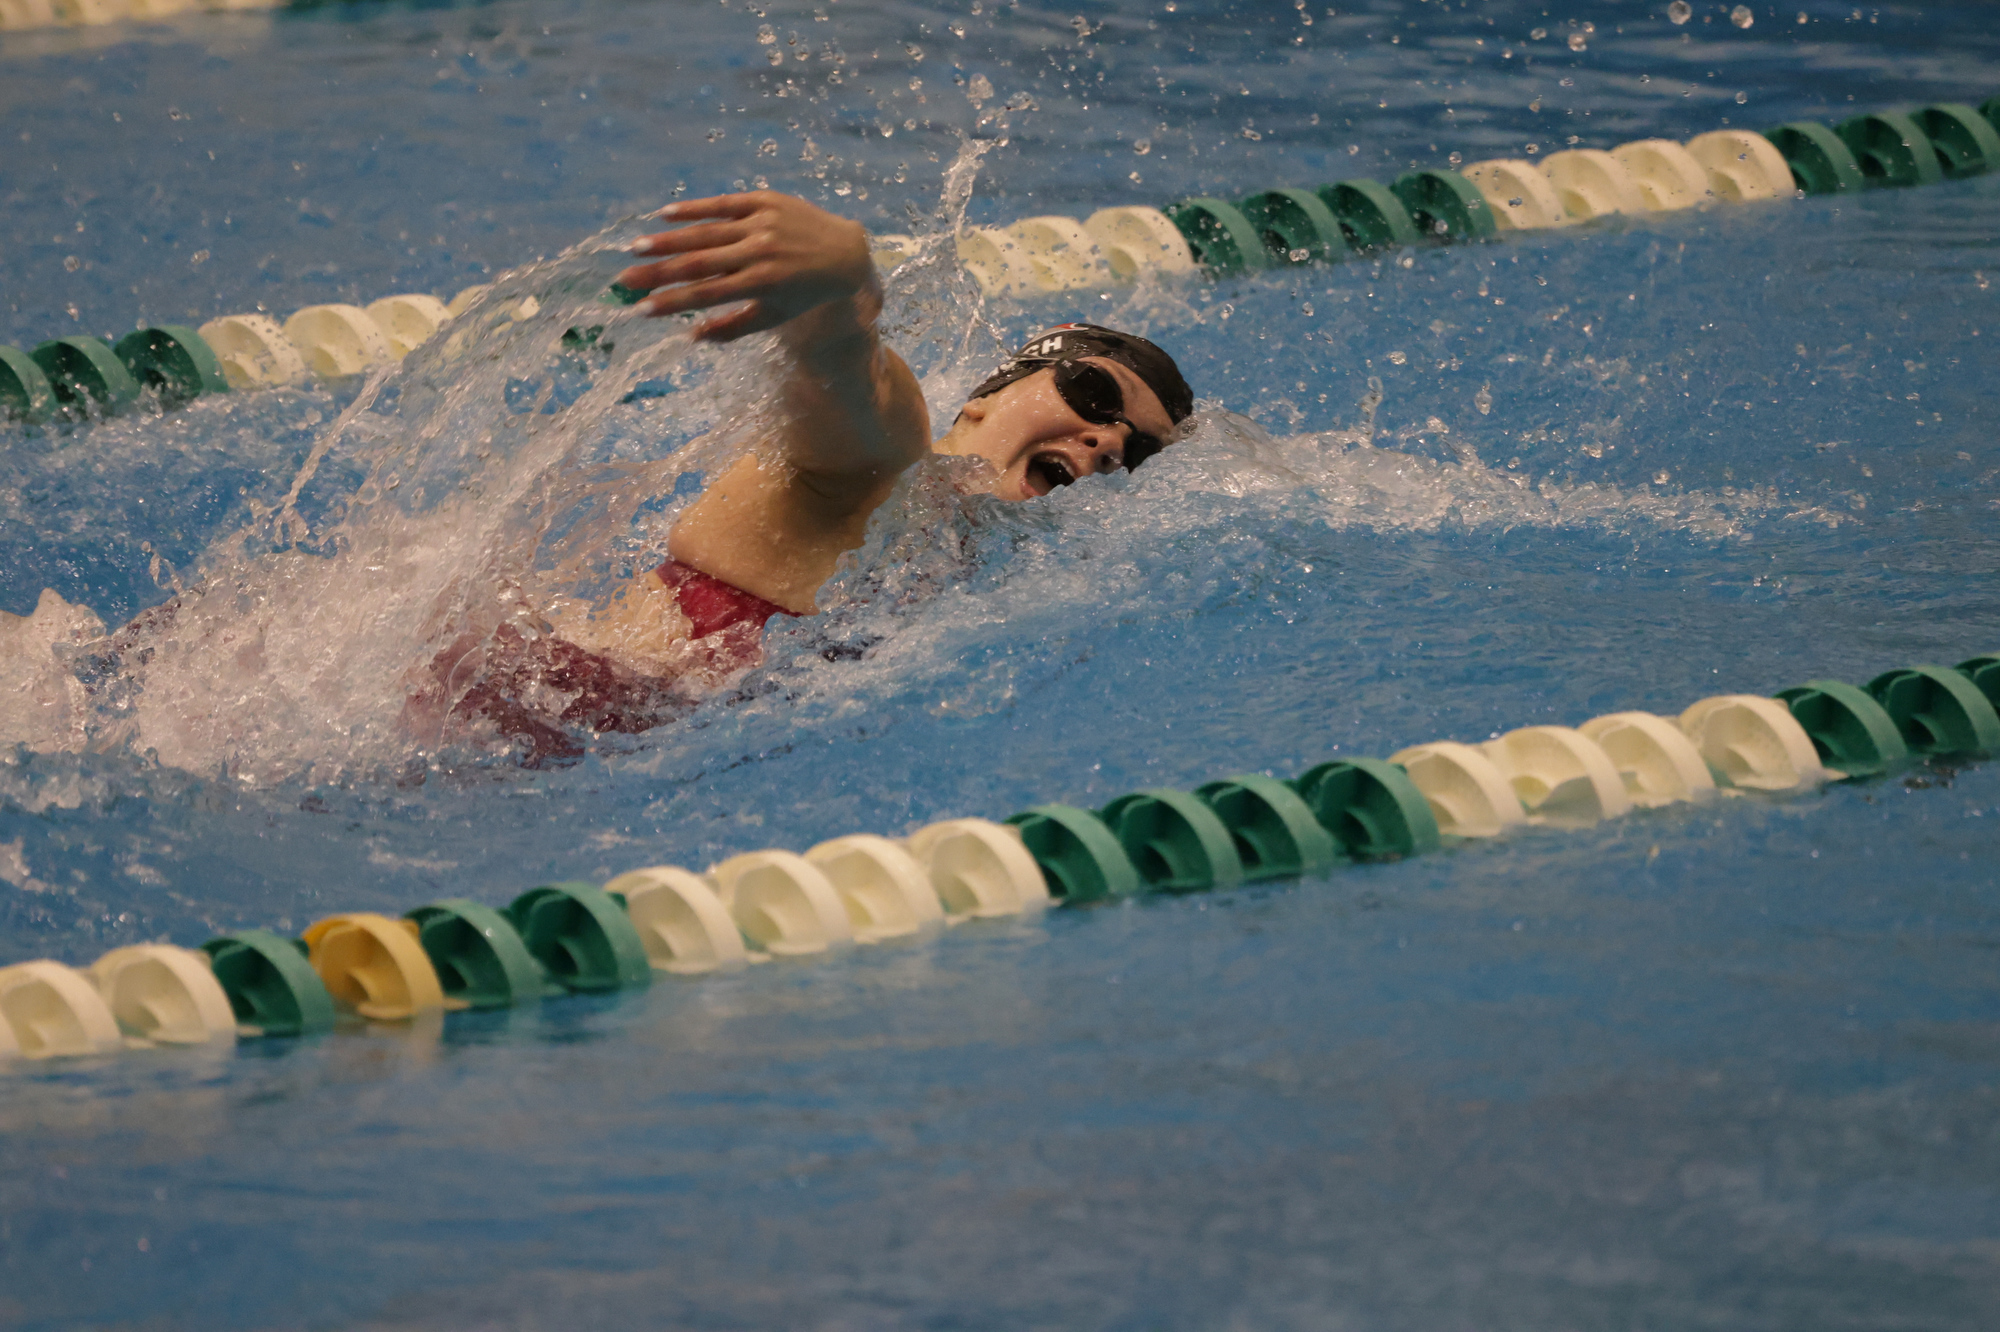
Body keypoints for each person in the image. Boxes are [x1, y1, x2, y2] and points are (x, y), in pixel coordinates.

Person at [429, 189, 1198, 761]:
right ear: (987, 397)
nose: (1104, 442)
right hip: (483, 724)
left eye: (1136, 452)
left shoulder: (983, 576)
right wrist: (841, 294)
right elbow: (849, 378)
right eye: (1093, 396)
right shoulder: (882, 474)